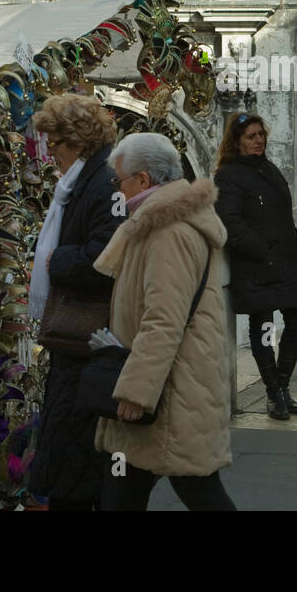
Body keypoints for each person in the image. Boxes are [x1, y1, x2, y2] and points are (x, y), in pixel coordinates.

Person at [93, 133, 235, 511]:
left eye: (118, 181)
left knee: (198, 490)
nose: (116, 191)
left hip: (169, 391)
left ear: (142, 180)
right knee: (124, 490)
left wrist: (135, 391)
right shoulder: (159, 223)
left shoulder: (168, 231)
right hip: (168, 385)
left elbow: (163, 319)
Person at [25, 93, 124, 510]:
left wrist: (53, 259)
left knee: (78, 457)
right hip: (76, 344)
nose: (50, 154)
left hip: (87, 341)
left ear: (77, 142)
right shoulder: (80, 183)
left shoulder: (100, 184)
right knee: (71, 454)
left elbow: (103, 260)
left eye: (55, 144)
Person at [213, 112, 297, 420]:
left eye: (260, 135)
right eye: (251, 137)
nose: (258, 141)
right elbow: (229, 222)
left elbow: (284, 216)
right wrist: (260, 248)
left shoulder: (268, 169)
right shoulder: (227, 176)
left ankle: (280, 387)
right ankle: (274, 394)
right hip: (256, 265)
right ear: (237, 142)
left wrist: (296, 252)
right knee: (264, 330)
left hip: (285, 263)